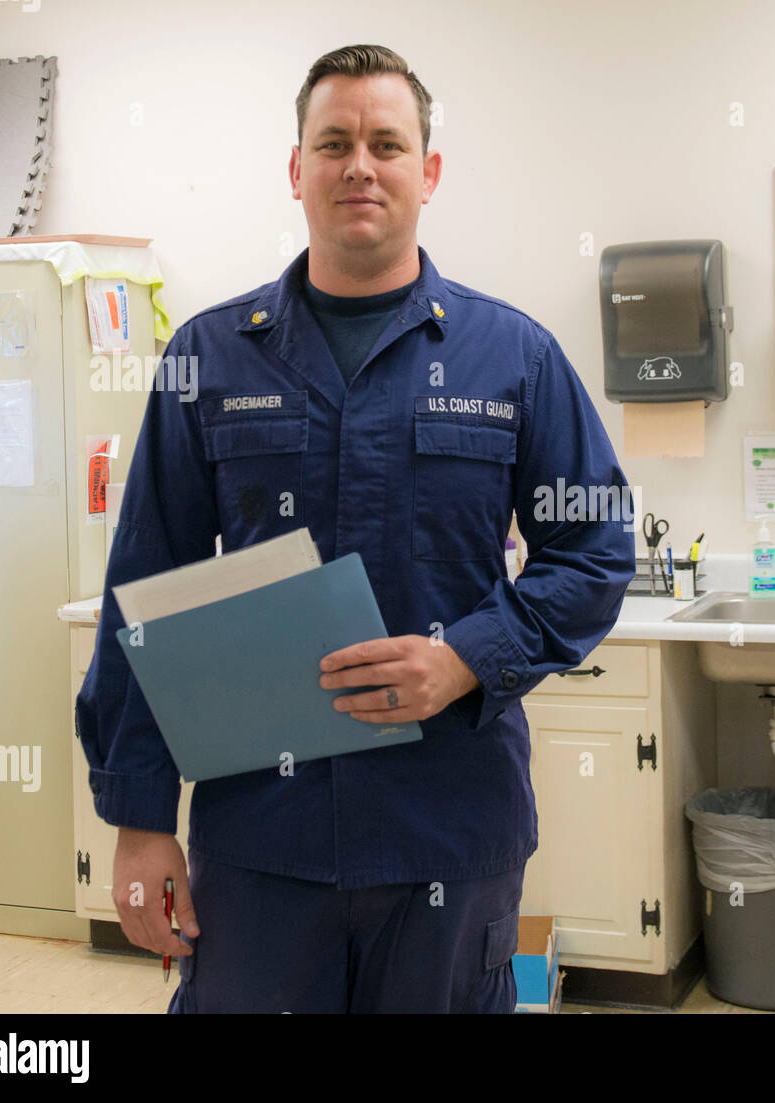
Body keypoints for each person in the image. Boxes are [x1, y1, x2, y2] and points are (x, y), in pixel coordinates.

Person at [74, 44, 636, 1013]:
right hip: (261, 837)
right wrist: (136, 817)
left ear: (429, 172)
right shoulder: (207, 358)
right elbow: (143, 589)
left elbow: (594, 547)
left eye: (387, 142)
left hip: (448, 827)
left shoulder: (515, 358)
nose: (359, 165)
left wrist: (465, 655)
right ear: (296, 169)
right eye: (333, 143)